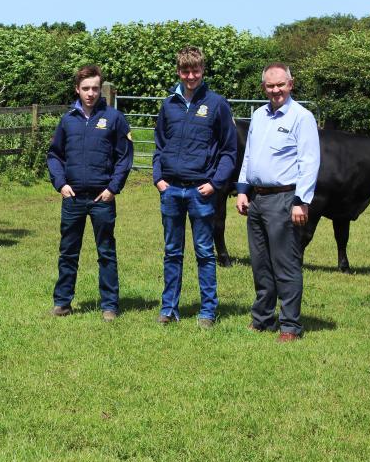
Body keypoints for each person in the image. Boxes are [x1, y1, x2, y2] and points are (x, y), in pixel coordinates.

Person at [152, 46, 237, 329]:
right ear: (178, 71)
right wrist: (158, 179)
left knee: (204, 252)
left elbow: (228, 150)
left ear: (203, 71)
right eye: (185, 71)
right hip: (172, 190)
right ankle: (169, 309)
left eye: (196, 70)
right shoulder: (169, 105)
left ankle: (208, 311)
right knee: (172, 252)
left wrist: (215, 183)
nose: (191, 76)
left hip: (201, 191)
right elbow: (159, 146)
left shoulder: (217, 104)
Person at [235, 63, 320, 342]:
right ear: (263, 88)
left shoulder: (301, 117)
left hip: (285, 198)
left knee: (285, 263)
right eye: (270, 86)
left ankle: (290, 326)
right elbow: (249, 156)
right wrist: (242, 189)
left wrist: (301, 200)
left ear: (291, 84)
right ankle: (262, 318)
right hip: (257, 198)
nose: (275, 90)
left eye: (280, 84)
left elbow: (309, 161)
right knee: (260, 263)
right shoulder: (258, 115)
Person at [46, 65, 134, 322]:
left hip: (101, 199)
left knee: (106, 252)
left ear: (100, 89)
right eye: (86, 88)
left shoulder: (114, 118)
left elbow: (124, 158)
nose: (91, 93)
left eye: (95, 88)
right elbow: (54, 155)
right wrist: (61, 184)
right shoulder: (67, 120)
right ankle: (62, 302)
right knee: (68, 251)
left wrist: (112, 188)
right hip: (72, 197)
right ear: (77, 89)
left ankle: (109, 305)